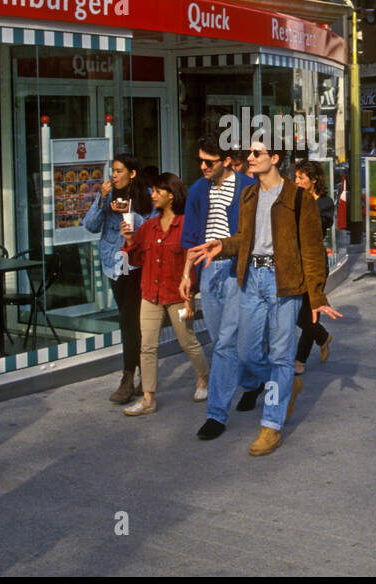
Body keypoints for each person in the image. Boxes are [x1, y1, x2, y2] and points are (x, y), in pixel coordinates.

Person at [189, 142, 341, 455]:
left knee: (282, 356)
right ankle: (285, 383)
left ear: (274, 159)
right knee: (245, 353)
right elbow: (247, 237)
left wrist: (316, 295)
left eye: (257, 154)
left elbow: (312, 248)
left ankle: (271, 426)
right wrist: (224, 245)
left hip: (283, 281)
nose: (250, 159)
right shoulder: (250, 194)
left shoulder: (298, 198)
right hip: (251, 278)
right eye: (249, 154)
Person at [180, 136, 262, 429]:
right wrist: (187, 277)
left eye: (209, 162)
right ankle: (252, 382)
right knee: (220, 340)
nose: (202, 166)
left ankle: (216, 414)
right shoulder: (197, 190)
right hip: (208, 270)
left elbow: (257, 236)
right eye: (200, 160)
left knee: (227, 342)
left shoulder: (250, 188)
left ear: (227, 161)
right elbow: (190, 239)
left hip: (238, 269)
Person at [121, 174, 208, 416]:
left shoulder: (186, 226)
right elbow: (136, 259)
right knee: (147, 347)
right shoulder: (148, 227)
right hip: (150, 294)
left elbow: (194, 263)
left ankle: (204, 378)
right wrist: (129, 241)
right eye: (153, 191)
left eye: (158, 191)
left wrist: (190, 297)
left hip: (178, 296)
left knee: (187, 341)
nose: (153, 195)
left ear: (171, 194)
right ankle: (148, 398)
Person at [83, 153, 150, 403]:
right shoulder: (108, 196)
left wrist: (131, 214)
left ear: (132, 173)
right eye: (113, 170)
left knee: (130, 321)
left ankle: (129, 377)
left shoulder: (146, 195)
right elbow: (89, 225)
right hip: (115, 265)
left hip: (135, 265)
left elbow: (154, 227)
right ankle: (141, 374)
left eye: (120, 170)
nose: (114, 175)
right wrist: (101, 199)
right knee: (129, 319)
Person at [292, 160, 335, 373]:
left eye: (301, 178)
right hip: (294, 262)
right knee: (298, 313)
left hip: (315, 262)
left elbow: (316, 227)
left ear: (314, 180)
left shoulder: (325, 203)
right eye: (296, 177)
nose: (297, 181)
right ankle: (323, 336)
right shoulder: (294, 198)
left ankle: (300, 359)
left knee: (309, 312)